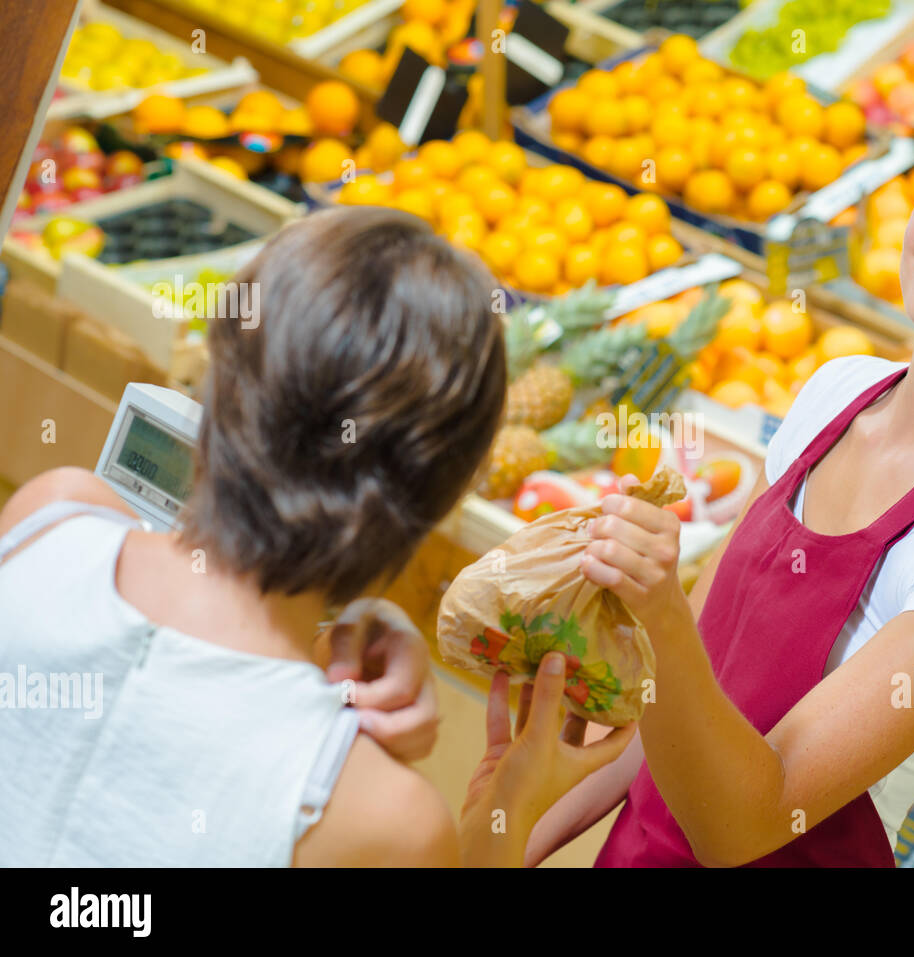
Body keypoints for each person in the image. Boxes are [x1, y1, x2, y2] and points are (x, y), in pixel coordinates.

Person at [525, 84, 914, 867]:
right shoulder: (834, 392)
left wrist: (659, 615)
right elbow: (679, 695)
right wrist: (517, 831)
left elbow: (752, 822)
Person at [0, 206, 632, 867]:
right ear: (435, 504)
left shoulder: (50, 517)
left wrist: (339, 631)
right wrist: (510, 805)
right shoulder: (377, 816)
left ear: (220, 369)